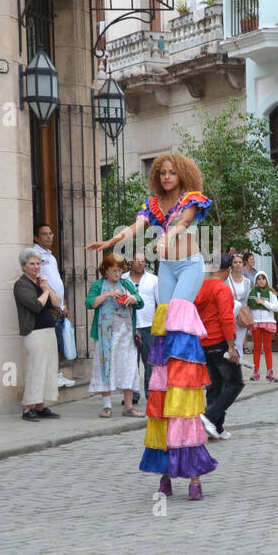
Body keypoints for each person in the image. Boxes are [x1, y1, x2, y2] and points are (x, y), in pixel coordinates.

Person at [86, 152, 216, 500]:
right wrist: (113, 241)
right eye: (162, 173)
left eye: (172, 172)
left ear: (182, 175)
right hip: (168, 268)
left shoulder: (190, 199)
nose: (167, 177)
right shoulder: (154, 205)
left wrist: (166, 238)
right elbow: (135, 227)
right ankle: (167, 381)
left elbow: (182, 224)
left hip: (189, 265)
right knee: (164, 324)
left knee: (179, 316)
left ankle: (186, 377)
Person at [86, 254, 143, 418]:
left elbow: (140, 302)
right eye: (113, 271)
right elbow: (90, 303)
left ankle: (128, 406)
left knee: (129, 367)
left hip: (126, 334)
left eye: (119, 270)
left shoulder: (126, 284)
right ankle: (106, 406)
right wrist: (107, 295)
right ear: (106, 270)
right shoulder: (98, 285)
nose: (117, 274)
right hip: (106, 334)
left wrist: (133, 298)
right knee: (105, 366)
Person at [13, 247, 62, 421]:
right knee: (36, 369)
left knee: (49, 369)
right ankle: (28, 408)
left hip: (48, 330)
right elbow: (35, 306)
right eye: (32, 264)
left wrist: (46, 287)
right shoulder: (21, 285)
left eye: (38, 263)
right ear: (23, 266)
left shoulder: (41, 283)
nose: (36, 267)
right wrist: (45, 292)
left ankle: (41, 406)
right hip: (34, 332)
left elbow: (57, 302)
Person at [196, 263, 242, 441]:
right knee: (235, 383)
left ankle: (217, 428)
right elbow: (226, 317)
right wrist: (231, 346)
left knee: (214, 386)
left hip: (204, 341)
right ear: (227, 270)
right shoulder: (222, 288)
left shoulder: (201, 286)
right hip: (220, 341)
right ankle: (208, 416)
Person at [33, 222, 75, 389]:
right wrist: (54, 300)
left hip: (58, 305)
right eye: (45, 234)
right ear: (36, 238)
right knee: (52, 343)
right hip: (49, 305)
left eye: (50, 233)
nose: (49, 237)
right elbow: (39, 279)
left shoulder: (51, 256)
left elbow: (56, 281)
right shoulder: (36, 254)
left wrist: (63, 303)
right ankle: (52, 376)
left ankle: (56, 374)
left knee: (59, 342)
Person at [128, 250, 159, 401]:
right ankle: (133, 394)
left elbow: (159, 302)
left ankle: (150, 394)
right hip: (129, 326)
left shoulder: (154, 279)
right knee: (131, 363)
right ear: (130, 262)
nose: (140, 263)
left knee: (149, 363)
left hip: (149, 326)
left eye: (143, 260)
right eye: (137, 260)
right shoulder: (123, 279)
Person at [246, 270, 278, 383]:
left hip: (268, 322)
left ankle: (270, 372)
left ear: (266, 280)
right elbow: (248, 307)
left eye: (263, 278)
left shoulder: (271, 293)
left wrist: (263, 302)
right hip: (255, 323)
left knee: (267, 347)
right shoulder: (251, 293)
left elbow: (276, 308)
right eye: (259, 279)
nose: (261, 281)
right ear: (256, 281)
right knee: (256, 348)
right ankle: (255, 371)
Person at [225, 252, 252, 363]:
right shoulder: (227, 279)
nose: (238, 264)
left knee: (239, 343)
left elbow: (246, 300)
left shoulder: (247, 281)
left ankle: (238, 367)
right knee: (229, 342)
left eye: (240, 262)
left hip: (240, 315)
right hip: (228, 313)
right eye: (235, 262)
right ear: (231, 264)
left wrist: (246, 313)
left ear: (243, 264)